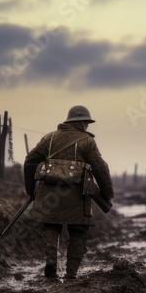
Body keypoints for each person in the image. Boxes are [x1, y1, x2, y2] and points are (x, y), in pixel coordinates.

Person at [24, 105, 114, 280]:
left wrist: (31, 190)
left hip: (48, 195)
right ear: (80, 122)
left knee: (51, 226)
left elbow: (30, 161)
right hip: (77, 197)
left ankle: (51, 263)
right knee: (78, 231)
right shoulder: (88, 142)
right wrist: (107, 193)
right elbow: (100, 169)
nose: (86, 126)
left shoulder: (49, 138)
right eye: (86, 123)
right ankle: (71, 274)